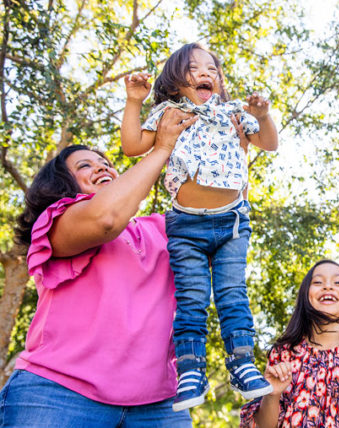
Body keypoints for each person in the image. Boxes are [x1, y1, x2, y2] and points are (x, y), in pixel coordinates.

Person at [0, 108, 198, 427]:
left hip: (158, 405)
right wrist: (162, 147)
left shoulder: (159, 229)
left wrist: (232, 145)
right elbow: (106, 218)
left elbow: (220, 220)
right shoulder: (57, 222)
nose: (102, 167)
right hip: (57, 393)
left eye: (106, 163)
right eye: (85, 165)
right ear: (63, 184)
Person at [120, 42, 279, 411]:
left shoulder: (234, 111)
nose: (206, 73)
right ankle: (190, 369)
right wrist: (133, 102)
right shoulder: (167, 113)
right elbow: (131, 146)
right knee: (191, 300)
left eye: (212, 68)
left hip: (232, 222)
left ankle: (242, 362)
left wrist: (263, 115)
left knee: (232, 294)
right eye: (194, 68)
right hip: (185, 225)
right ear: (176, 80)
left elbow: (268, 145)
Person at [239, 260, 339, 428]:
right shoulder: (283, 354)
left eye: (338, 282)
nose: (328, 287)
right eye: (318, 282)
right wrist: (272, 395)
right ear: (305, 297)